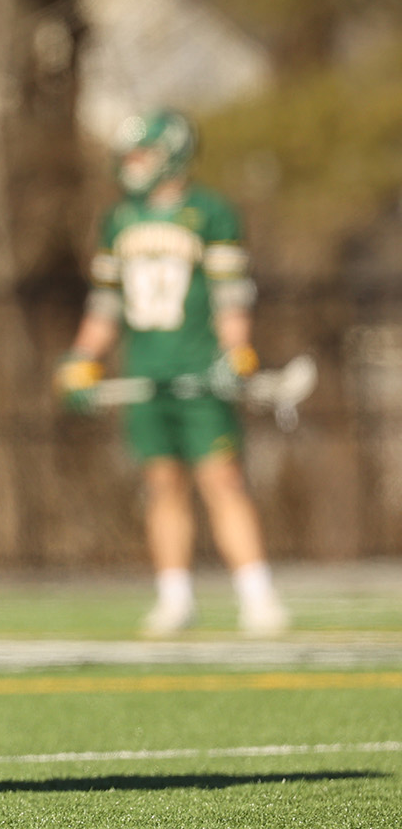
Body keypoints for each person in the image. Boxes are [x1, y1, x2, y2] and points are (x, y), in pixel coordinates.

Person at [56, 109, 289, 638]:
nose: (133, 164)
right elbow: (106, 303)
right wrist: (82, 357)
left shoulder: (211, 213)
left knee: (222, 479)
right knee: (162, 484)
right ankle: (174, 596)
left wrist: (237, 350)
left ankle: (257, 596)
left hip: (199, 368)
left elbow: (231, 293)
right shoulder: (119, 220)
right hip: (147, 370)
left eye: (144, 154)